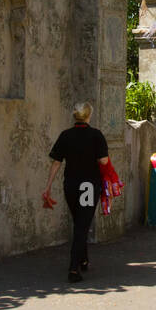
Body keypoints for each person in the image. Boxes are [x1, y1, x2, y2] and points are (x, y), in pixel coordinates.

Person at [44, 101, 110, 283]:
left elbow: (56, 162)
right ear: (89, 116)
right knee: (82, 224)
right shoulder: (96, 136)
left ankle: (83, 259)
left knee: (80, 222)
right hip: (88, 186)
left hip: (71, 186)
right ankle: (74, 268)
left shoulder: (65, 135)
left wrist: (48, 186)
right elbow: (104, 161)